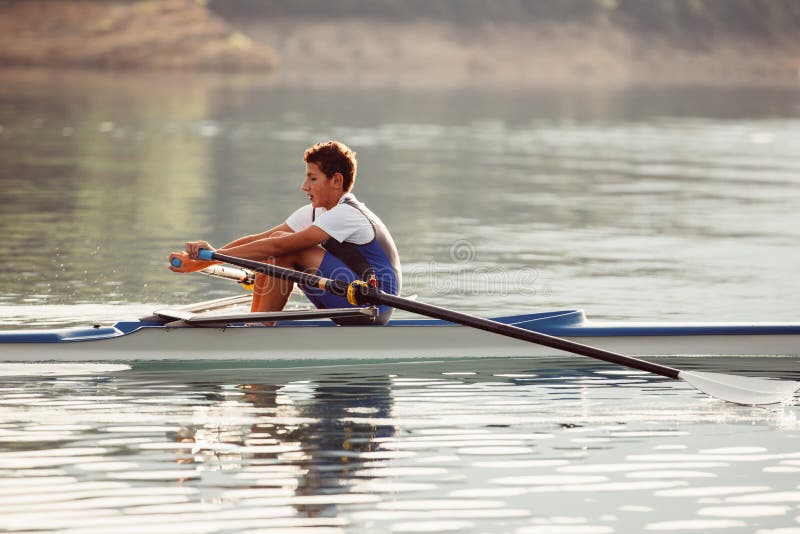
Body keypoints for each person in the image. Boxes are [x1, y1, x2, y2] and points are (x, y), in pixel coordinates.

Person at [171, 140, 401, 325]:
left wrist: (207, 260)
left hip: (372, 305)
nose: (304, 185)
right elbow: (259, 241)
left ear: (336, 180)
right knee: (275, 248)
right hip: (346, 294)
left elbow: (278, 246)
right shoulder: (313, 212)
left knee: (284, 249)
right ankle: (255, 323)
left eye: (312, 178)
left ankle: (261, 327)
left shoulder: (347, 214)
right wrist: (206, 258)